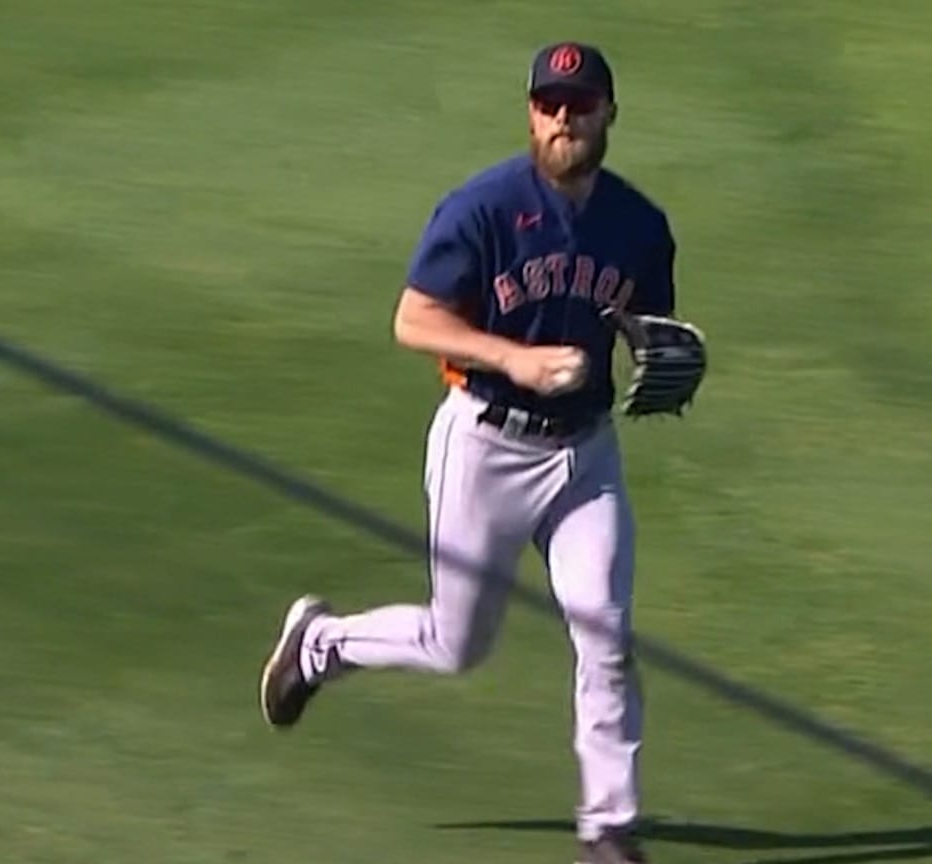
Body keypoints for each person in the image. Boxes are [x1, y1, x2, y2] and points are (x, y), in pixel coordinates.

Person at [258, 40, 678, 864]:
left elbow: (646, 328)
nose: (565, 119)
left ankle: (610, 828)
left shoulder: (640, 225)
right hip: (486, 444)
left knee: (608, 632)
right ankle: (321, 645)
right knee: (458, 645)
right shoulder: (483, 209)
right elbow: (414, 319)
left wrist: (664, 359)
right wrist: (515, 358)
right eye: (550, 104)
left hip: (585, 456)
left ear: (608, 113)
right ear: (531, 112)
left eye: (581, 104)